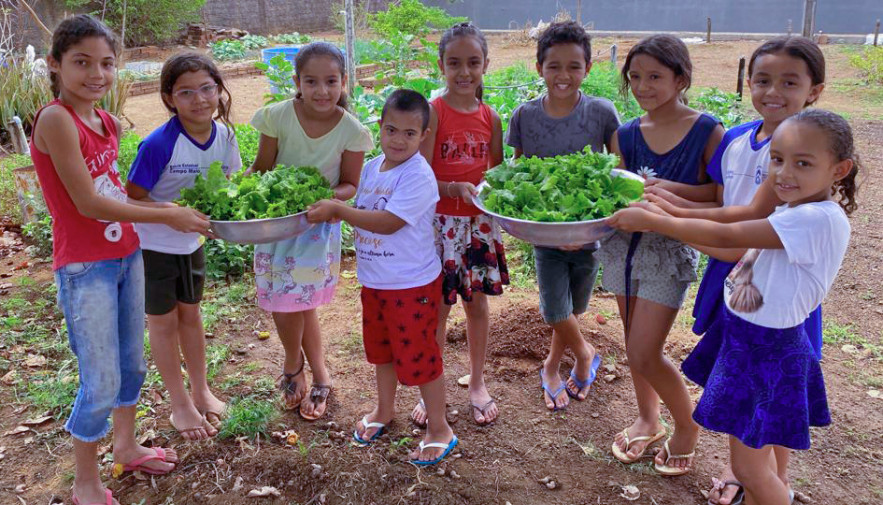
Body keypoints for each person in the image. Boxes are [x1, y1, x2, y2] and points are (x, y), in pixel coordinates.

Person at [608, 108, 858, 505]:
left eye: (803, 163)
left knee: (749, 469)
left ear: (839, 169)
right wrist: (663, 213)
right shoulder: (792, 211)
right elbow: (732, 246)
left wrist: (658, 220)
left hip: (767, 351)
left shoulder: (816, 219)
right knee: (756, 462)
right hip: (745, 338)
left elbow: (732, 231)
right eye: (777, 160)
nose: (784, 173)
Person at [30, 14, 210, 505]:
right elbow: (88, 203)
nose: (97, 74)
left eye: (107, 63)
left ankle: (126, 446)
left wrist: (158, 212)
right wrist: (166, 215)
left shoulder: (105, 120)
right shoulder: (55, 120)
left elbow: (111, 189)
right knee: (102, 377)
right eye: (82, 62)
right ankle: (85, 482)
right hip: (85, 266)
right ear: (55, 65)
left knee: (131, 365)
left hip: (128, 254)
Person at [641, 36, 827, 504]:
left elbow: (740, 230)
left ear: (815, 91)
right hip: (732, 280)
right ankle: (753, 472)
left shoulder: (810, 158)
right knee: (743, 385)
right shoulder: (739, 139)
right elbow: (725, 205)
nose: (773, 92)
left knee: (769, 392)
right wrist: (665, 195)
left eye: (790, 82)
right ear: (749, 83)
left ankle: (764, 478)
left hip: (772, 292)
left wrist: (662, 219)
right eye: (763, 80)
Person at [595, 34, 724, 476]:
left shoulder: (707, 130)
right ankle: (647, 419)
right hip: (623, 248)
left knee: (646, 352)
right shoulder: (626, 134)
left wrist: (667, 192)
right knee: (634, 346)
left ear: (680, 78)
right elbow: (612, 190)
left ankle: (686, 427)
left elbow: (719, 196)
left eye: (655, 76)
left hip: (669, 252)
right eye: (634, 77)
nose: (643, 86)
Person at [307, 89, 458, 465]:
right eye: (392, 130)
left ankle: (439, 428)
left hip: (412, 285)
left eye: (410, 133)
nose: (399, 140)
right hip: (376, 283)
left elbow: (389, 223)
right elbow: (366, 209)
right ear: (380, 128)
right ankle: (384, 410)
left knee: (422, 356)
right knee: (382, 351)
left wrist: (339, 210)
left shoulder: (419, 175)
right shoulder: (373, 168)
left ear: (423, 135)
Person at [248, 42, 373, 420]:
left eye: (331, 81)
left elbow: (351, 184)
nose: (322, 90)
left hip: (316, 227)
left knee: (297, 302)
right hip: (274, 226)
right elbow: (262, 169)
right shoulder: (277, 117)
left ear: (344, 82)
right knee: (287, 301)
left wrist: (326, 201)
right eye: (311, 81)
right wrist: (242, 193)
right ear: (297, 82)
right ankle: (308, 368)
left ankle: (301, 368)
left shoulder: (352, 130)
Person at [126, 51, 242, 440]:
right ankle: (179, 404)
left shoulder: (225, 136)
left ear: (219, 90)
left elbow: (229, 186)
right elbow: (131, 200)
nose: (200, 99)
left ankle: (201, 391)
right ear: (169, 98)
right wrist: (170, 213)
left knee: (191, 316)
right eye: (186, 92)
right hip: (153, 247)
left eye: (207, 88)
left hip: (191, 245)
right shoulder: (159, 144)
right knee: (163, 323)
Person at [505, 21, 620, 410]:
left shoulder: (602, 112)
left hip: (590, 234)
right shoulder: (525, 116)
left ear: (588, 68)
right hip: (545, 236)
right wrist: (543, 230)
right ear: (539, 68)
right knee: (555, 307)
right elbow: (517, 176)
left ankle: (552, 364)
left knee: (574, 306)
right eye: (554, 66)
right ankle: (584, 355)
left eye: (574, 66)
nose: (563, 75)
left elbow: (616, 175)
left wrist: (592, 225)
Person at [412, 22, 506, 427]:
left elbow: (498, 176)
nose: (464, 72)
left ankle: (478, 383)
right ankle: (434, 385)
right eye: (454, 63)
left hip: (478, 227)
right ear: (441, 66)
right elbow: (417, 173)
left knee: (476, 305)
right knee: (436, 309)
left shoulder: (492, 117)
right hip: (438, 226)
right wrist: (453, 186)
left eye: (472, 63)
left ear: (485, 64)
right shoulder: (433, 112)